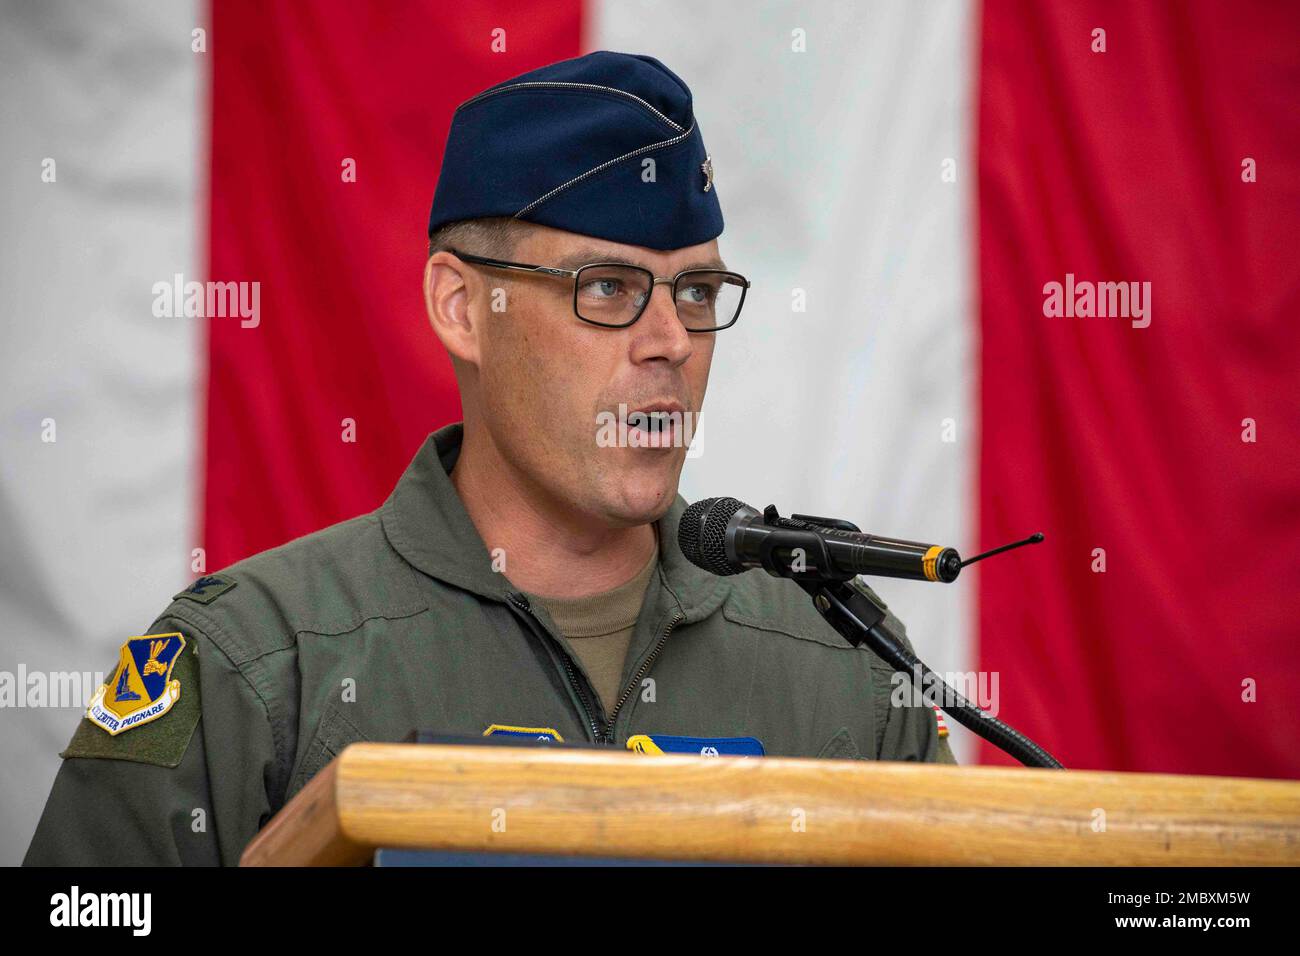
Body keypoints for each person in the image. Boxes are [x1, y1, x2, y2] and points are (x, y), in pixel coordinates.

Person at [25, 50, 953, 867]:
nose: (670, 339)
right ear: (463, 309)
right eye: (610, 287)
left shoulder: (842, 663)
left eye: (699, 291)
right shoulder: (260, 661)